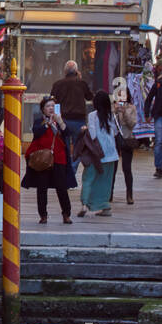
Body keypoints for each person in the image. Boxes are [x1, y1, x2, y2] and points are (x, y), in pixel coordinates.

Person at [21, 96, 75, 224]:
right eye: (48, 106)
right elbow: (37, 132)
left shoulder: (60, 121)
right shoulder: (39, 121)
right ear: (43, 109)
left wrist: (60, 121)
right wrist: (47, 124)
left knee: (61, 187)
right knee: (42, 187)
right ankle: (43, 215)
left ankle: (66, 214)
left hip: (59, 158)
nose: (50, 108)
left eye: (52, 106)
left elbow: (67, 133)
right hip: (43, 158)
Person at [77, 91, 119, 216]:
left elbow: (93, 134)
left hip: (95, 153)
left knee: (88, 178)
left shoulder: (92, 116)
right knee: (105, 181)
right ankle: (105, 206)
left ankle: (84, 205)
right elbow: (116, 132)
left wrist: (85, 129)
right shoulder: (111, 116)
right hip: (110, 153)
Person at [52, 60, 94, 153]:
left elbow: (54, 102)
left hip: (63, 120)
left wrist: (56, 117)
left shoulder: (58, 84)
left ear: (65, 71)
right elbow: (89, 96)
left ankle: (67, 165)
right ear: (77, 71)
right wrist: (80, 79)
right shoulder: (81, 83)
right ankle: (73, 167)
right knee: (78, 147)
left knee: (64, 147)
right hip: (79, 120)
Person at [112, 88, 138, 205]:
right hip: (114, 140)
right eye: (119, 95)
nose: (121, 97)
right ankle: (109, 194)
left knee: (127, 168)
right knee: (112, 168)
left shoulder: (131, 108)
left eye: (124, 94)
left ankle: (129, 194)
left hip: (127, 139)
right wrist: (115, 112)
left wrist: (124, 112)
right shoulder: (112, 108)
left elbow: (132, 124)